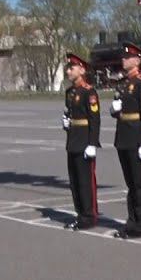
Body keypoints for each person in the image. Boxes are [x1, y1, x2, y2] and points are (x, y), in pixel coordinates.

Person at [110, 43, 141, 239]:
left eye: (128, 57)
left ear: (137, 60)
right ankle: (132, 221)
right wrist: (115, 110)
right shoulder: (122, 83)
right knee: (130, 184)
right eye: (123, 57)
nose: (124, 60)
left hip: (137, 137)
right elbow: (120, 112)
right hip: (123, 137)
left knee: (140, 184)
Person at [61, 53, 100, 230]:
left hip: (84, 140)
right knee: (74, 181)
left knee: (85, 182)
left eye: (72, 67)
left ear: (82, 69)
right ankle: (80, 214)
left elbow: (94, 119)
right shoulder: (70, 92)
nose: (68, 70)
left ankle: (89, 216)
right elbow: (70, 114)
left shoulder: (89, 92)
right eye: (68, 68)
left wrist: (92, 143)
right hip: (73, 140)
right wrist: (66, 123)